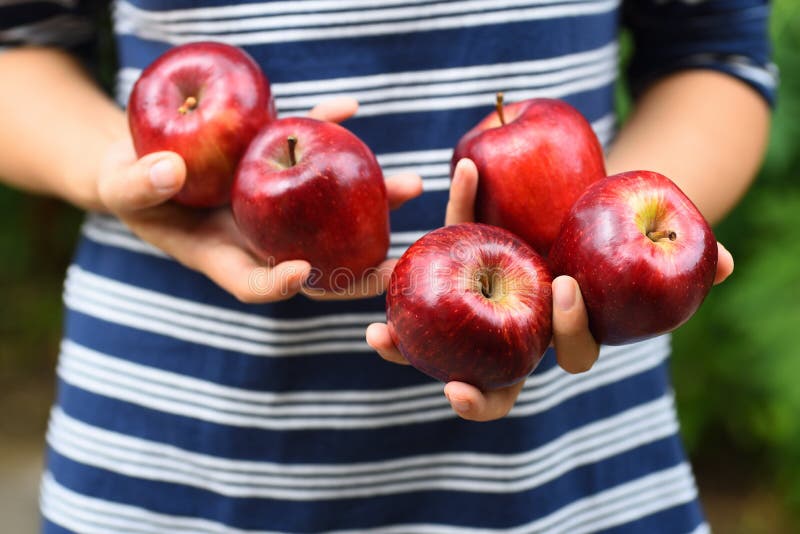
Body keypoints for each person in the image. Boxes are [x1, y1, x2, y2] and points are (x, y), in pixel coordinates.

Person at [0, 0, 772, 532]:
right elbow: (18, 43)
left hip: (564, 454)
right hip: (175, 442)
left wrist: (602, 266)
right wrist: (111, 171)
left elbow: (717, 54)